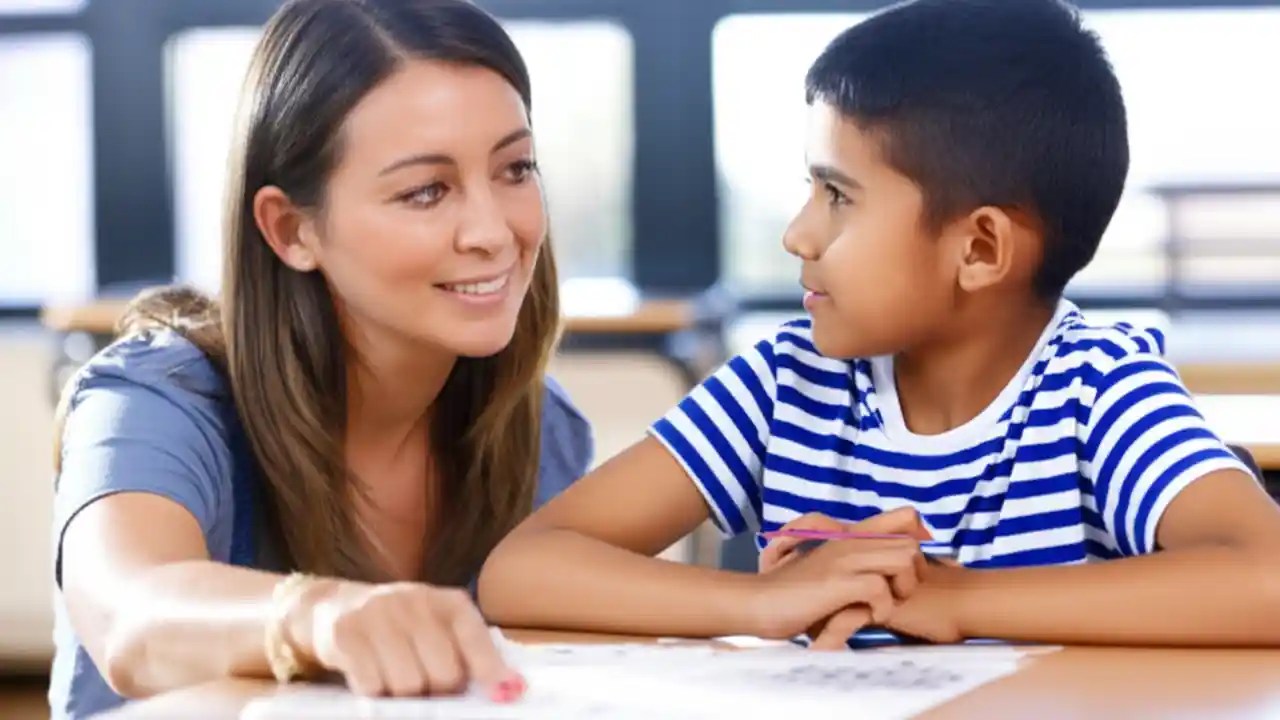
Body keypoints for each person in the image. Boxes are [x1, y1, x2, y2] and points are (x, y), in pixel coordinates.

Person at [478, 0, 1280, 648]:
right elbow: (524, 568)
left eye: (837, 196)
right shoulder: (787, 382)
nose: (798, 233)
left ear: (980, 247)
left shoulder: (1096, 387)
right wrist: (761, 605)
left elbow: (1266, 580)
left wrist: (958, 597)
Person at [49, 0, 593, 716]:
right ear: (290, 229)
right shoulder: (156, 399)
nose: (493, 231)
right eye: (426, 191)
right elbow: (132, 617)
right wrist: (320, 617)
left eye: (515, 169)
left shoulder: (541, 429)